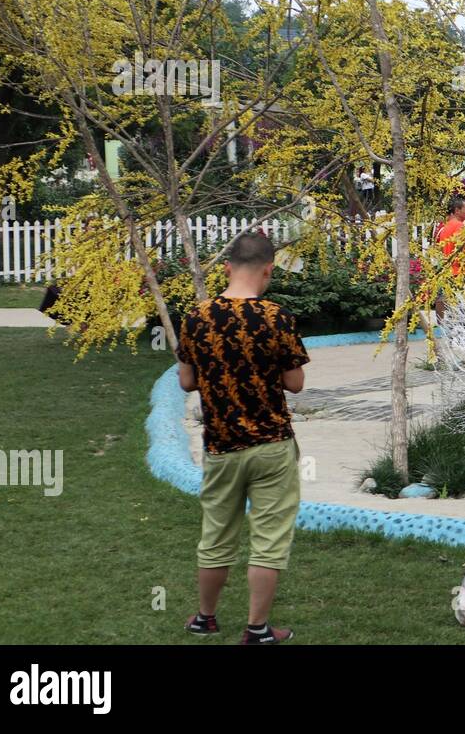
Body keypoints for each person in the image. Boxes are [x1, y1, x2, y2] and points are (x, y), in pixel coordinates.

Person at [176, 231, 310, 644]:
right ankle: (256, 630)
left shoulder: (196, 318)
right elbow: (296, 382)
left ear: (227, 267)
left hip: (220, 445)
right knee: (268, 540)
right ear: (268, 269)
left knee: (216, 534)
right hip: (271, 445)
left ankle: (205, 618)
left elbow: (186, 382)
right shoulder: (277, 318)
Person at [434, 196, 465, 313]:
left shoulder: (445, 227)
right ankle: (458, 324)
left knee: (442, 297)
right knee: (460, 299)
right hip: (459, 270)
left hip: (445, 269)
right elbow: (462, 249)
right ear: (457, 210)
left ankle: (442, 326)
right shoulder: (460, 226)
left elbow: (438, 248)